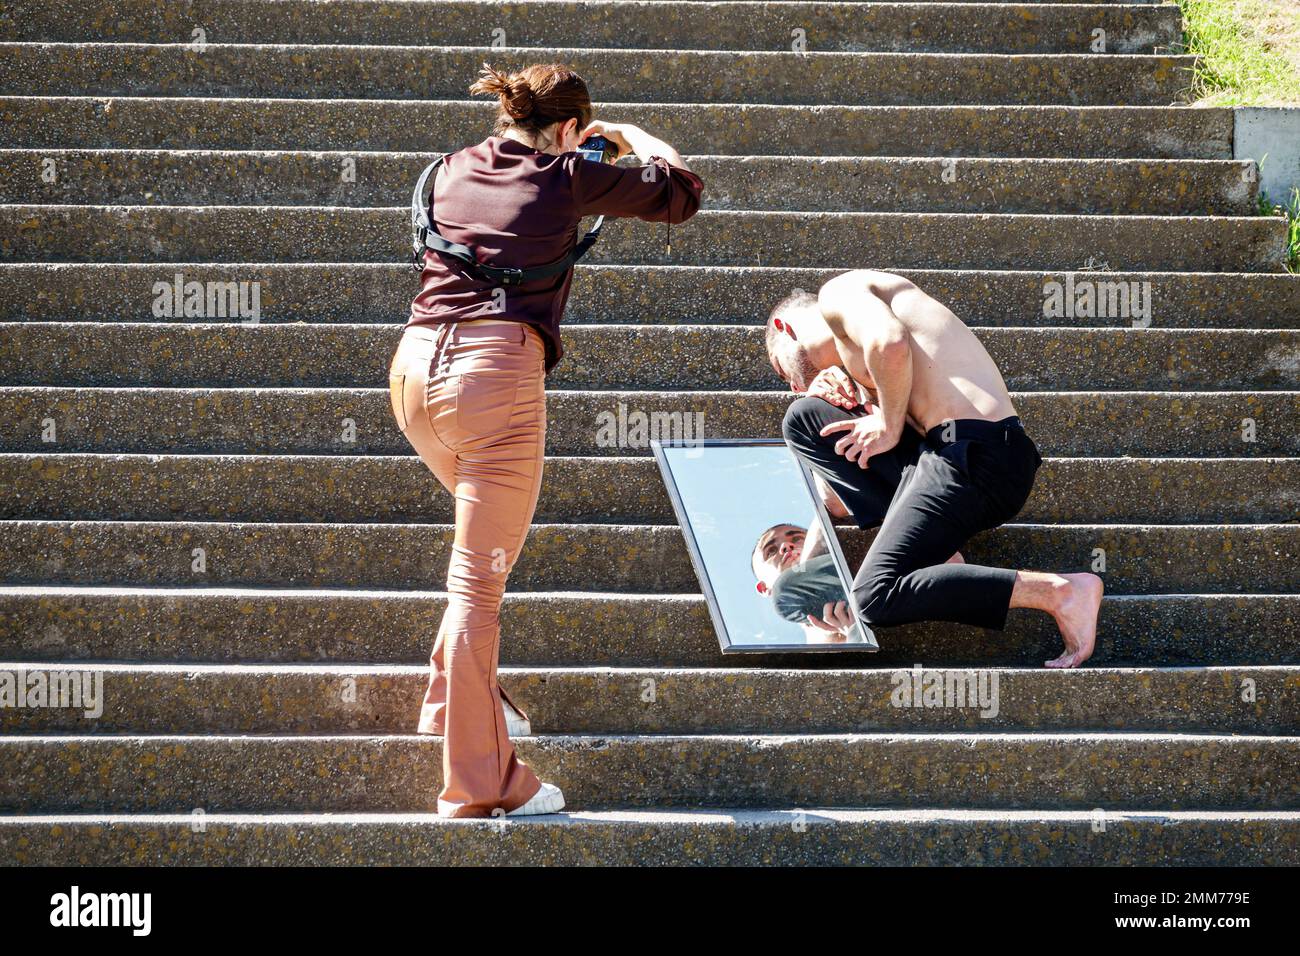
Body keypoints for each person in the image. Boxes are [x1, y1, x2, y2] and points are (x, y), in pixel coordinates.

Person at [388, 62, 703, 817]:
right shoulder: (567, 175)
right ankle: (483, 786)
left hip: (412, 372)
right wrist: (624, 138)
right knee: (478, 585)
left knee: (479, 552)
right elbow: (684, 192)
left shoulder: (444, 170)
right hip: (494, 378)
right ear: (568, 129)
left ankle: (445, 697)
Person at [765, 270, 1102, 668]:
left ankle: (1058, 592)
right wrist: (863, 400)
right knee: (805, 415)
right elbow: (842, 493)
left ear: (786, 328)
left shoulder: (837, 293)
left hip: (974, 455)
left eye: (782, 371)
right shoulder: (862, 361)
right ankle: (932, 547)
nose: (792, 385)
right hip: (966, 457)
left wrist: (886, 425)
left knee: (873, 596)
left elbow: (890, 344)